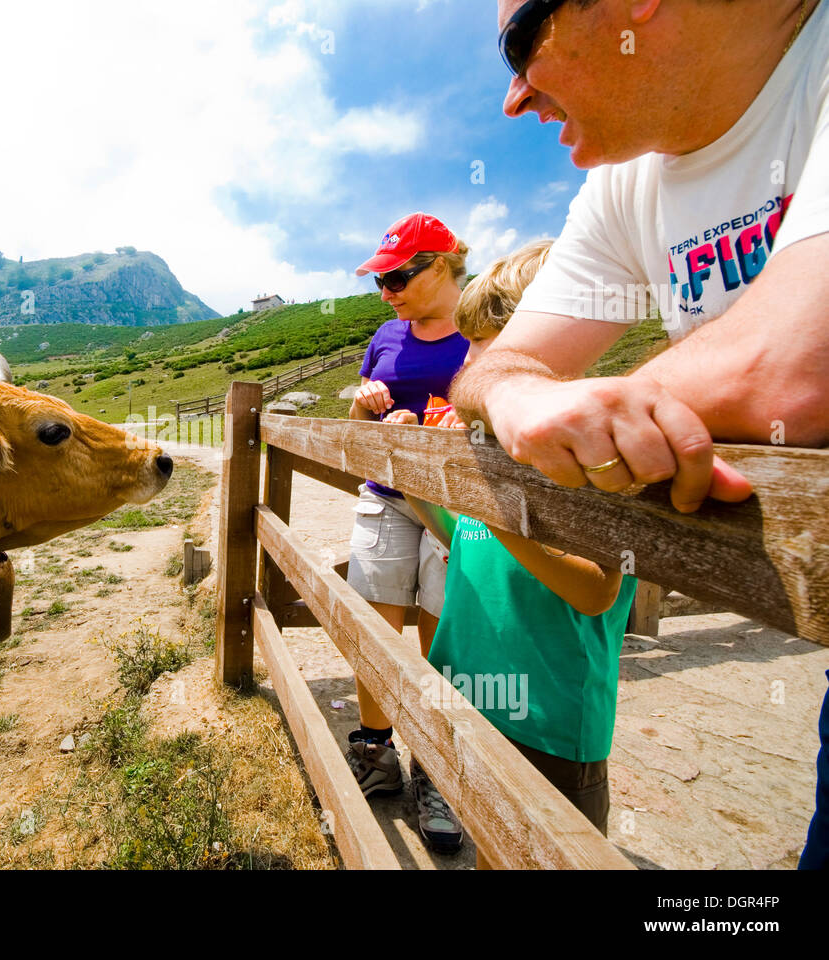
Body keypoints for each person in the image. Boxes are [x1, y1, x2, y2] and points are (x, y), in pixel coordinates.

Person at [450, 0, 829, 870]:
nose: (514, 99)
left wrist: (584, 398)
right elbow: (496, 370)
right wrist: (517, 400)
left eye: (519, 42)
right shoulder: (627, 183)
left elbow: (795, 368)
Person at [404, 240, 635, 867]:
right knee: (492, 842)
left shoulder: (598, 452)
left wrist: (491, 510)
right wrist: (420, 488)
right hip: (475, 695)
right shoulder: (493, 449)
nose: (470, 363)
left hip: (551, 719)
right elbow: (469, 542)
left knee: (551, 852)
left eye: (487, 346)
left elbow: (595, 590)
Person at [343, 212, 470, 854]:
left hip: (459, 511)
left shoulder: (486, 333)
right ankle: (376, 751)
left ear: (443, 266)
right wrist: (364, 399)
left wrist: (460, 421)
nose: (388, 291)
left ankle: (438, 775)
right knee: (375, 624)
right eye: (380, 281)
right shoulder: (387, 334)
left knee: (443, 635)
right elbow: (358, 408)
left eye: (398, 276)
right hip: (388, 498)